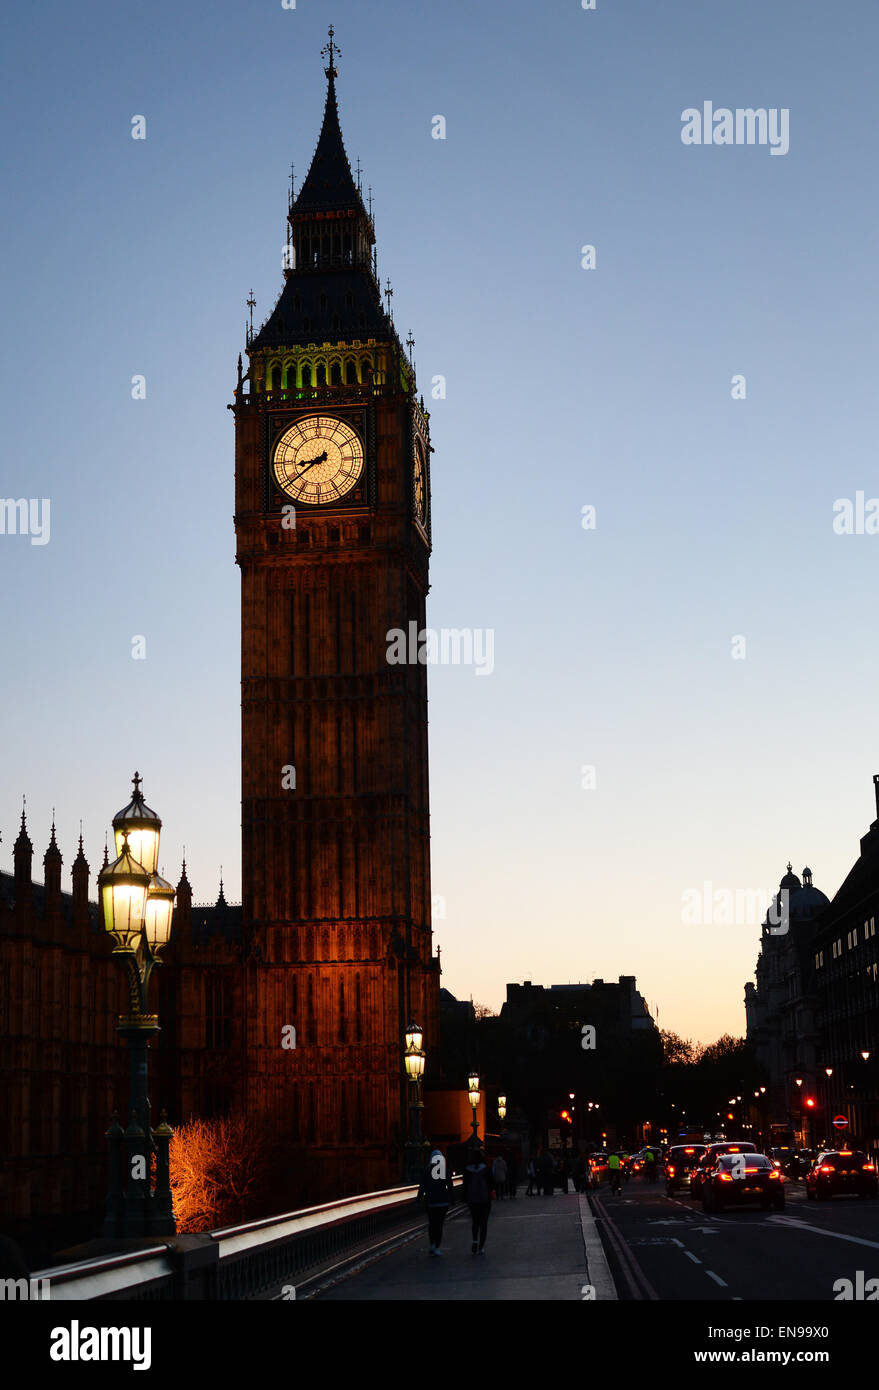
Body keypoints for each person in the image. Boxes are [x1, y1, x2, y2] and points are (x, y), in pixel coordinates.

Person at [417, 1145, 455, 1255]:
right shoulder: (445, 1170)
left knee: (432, 1224)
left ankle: (432, 1244)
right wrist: (452, 1199)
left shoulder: (427, 1170)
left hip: (430, 1202)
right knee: (439, 1225)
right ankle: (437, 1246)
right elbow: (450, 1186)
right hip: (443, 1202)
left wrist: (418, 1199)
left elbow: (422, 1186)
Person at [463, 1147, 492, 1254]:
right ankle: (481, 1247)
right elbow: (491, 1184)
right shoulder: (486, 1169)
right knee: (483, 1223)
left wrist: (465, 1198)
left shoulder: (467, 1170)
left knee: (475, 1222)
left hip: (472, 1200)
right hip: (484, 1200)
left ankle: (475, 1240)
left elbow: (465, 1186)